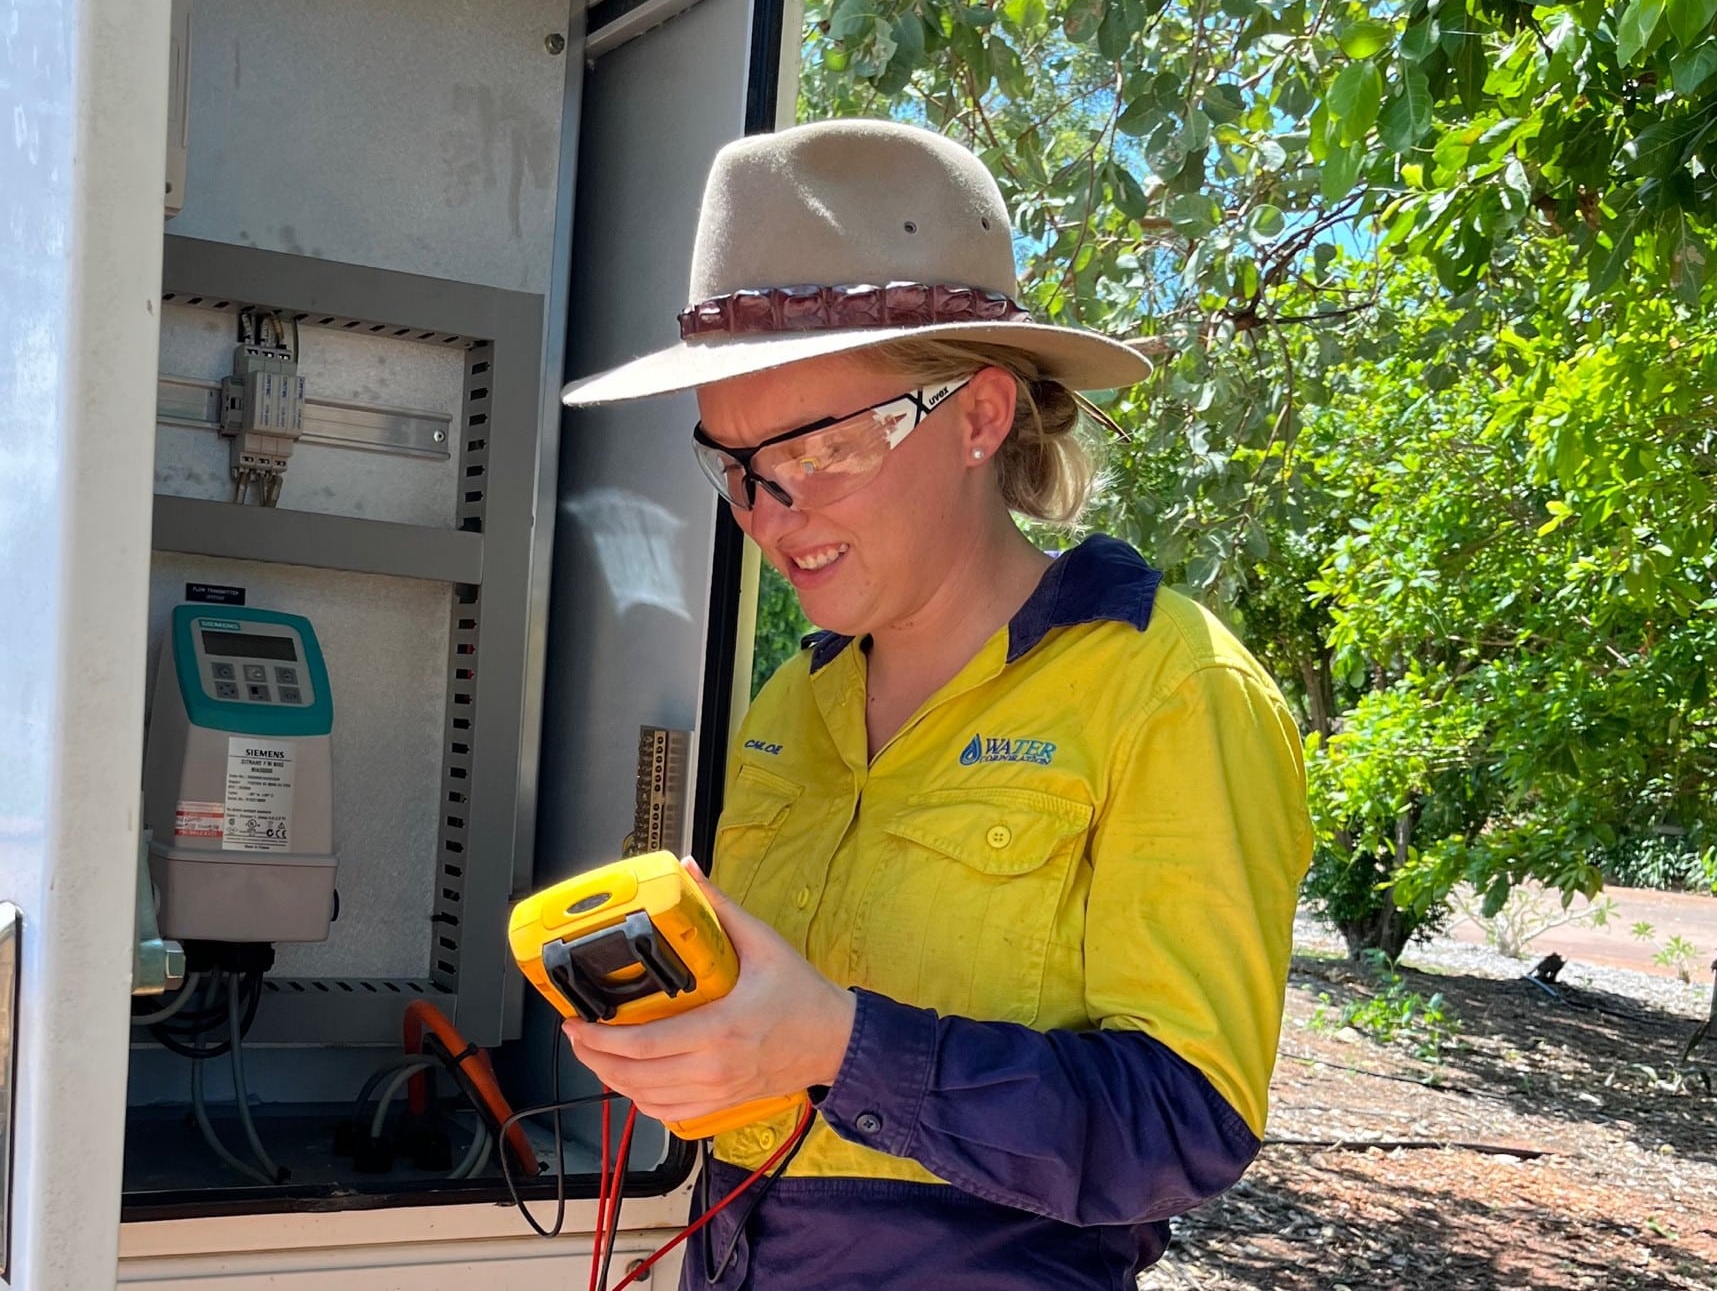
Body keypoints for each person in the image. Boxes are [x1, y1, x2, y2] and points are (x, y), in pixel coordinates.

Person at [557, 119, 1312, 1290]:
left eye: (822, 449)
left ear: (976, 415)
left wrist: (837, 1042)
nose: (769, 509)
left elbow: (1183, 1126)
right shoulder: (791, 701)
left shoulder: (1169, 687)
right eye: (737, 462)